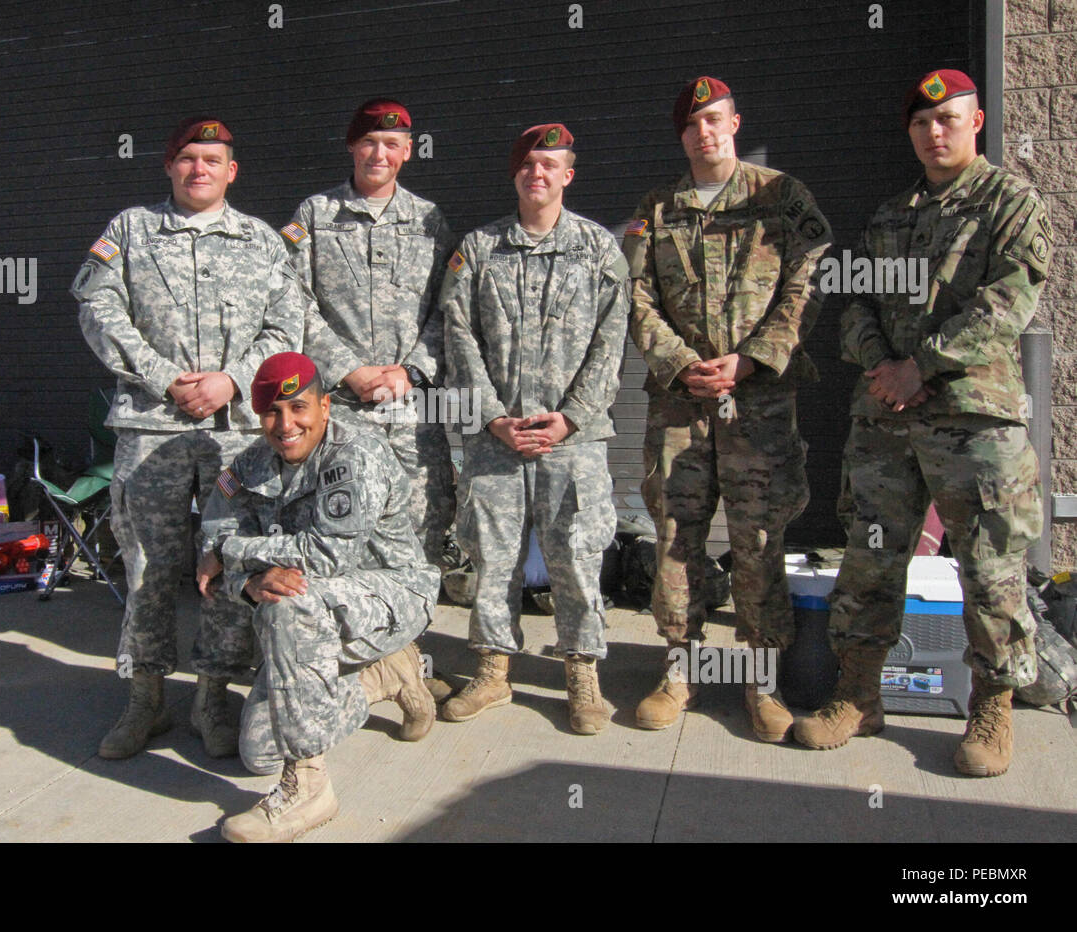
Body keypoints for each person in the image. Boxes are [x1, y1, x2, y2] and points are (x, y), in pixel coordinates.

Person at [795, 70, 1053, 776]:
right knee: (871, 557)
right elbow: (855, 305)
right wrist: (880, 361)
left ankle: (992, 708)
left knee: (991, 568)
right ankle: (858, 696)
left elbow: (1009, 303)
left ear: (975, 123)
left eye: (948, 120)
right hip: (886, 422)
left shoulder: (1010, 203)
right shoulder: (889, 217)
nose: (934, 133)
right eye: (921, 123)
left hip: (974, 421)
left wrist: (923, 365)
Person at [72, 116, 302, 761]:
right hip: (153, 429)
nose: (199, 169)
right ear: (169, 167)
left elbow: (289, 324)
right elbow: (98, 307)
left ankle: (211, 697)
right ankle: (144, 699)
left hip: (234, 436)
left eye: (212, 159)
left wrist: (231, 380)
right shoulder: (130, 230)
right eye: (187, 159)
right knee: (148, 567)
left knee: (232, 562)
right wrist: (165, 378)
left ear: (232, 171)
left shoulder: (261, 240)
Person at [624, 77, 833, 742]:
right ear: (681, 136)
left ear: (735, 122)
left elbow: (808, 283)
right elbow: (636, 298)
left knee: (758, 540)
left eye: (713, 119)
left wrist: (750, 359)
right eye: (691, 124)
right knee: (677, 539)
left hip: (758, 404)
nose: (703, 132)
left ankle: (760, 679)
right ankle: (679, 669)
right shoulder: (657, 209)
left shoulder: (782, 197)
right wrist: (682, 363)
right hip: (681, 406)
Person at [197, 352, 438, 842]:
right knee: (258, 752)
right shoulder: (247, 464)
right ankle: (382, 677)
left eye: (298, 408)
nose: (285, 424)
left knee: (289, 603)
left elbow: (326, 557)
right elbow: (211, 539)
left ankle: (309, 788)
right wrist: (246, 581)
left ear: (325, 406)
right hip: (315, 604)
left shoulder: (356, 453)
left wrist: (237, 552)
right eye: (271, 412)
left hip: (390, 592)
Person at [440, 123, 628, 735]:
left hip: (572, 439)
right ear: (514, 173)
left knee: (575, 553)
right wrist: (492, 417)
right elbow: (458, 335)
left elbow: (611, 342)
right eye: (526, 164)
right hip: (496, 437)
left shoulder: (600, 250)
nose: (537, 173)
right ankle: (493, 670)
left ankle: (581, 674)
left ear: (568, 174)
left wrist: (570, 416)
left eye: (549, 164)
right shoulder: (479, 249)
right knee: (492, 555)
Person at [283, 98, 456, 568]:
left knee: (424, 526)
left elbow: (449, 308)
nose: (379, 155)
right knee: (339, 520)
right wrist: (351, 371)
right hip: (340, 406)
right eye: (369, 143)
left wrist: (411, 370)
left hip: (414, 409)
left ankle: (409, 633)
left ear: (408, 152)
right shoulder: (316, 215)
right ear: (351, 148)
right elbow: (291, 302)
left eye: (391, 145)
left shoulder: (430, 221)